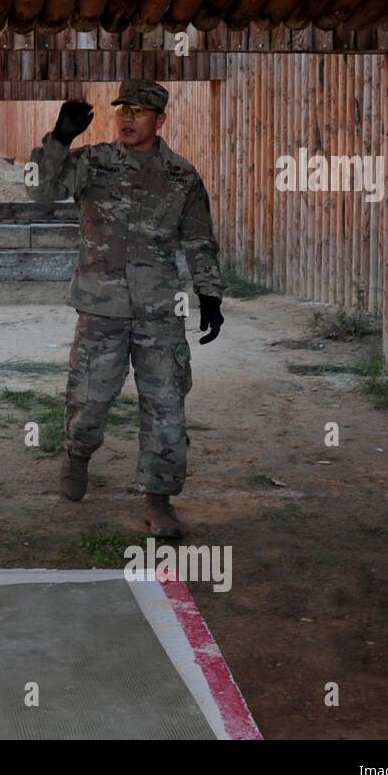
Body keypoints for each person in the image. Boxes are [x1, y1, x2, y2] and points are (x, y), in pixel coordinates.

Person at [26, 79, 224, 539]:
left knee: (166, 408)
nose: (128, 118)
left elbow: (198, 240)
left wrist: (210, 294)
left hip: (159, 312)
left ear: (160, 119)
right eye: (122, 109)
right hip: (101, 310)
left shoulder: (182, 176)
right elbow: (40, 190)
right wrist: (59, 139)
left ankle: (159, 502)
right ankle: (77, 454)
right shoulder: (93, 163)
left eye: (139, 110)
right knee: (89, 404)